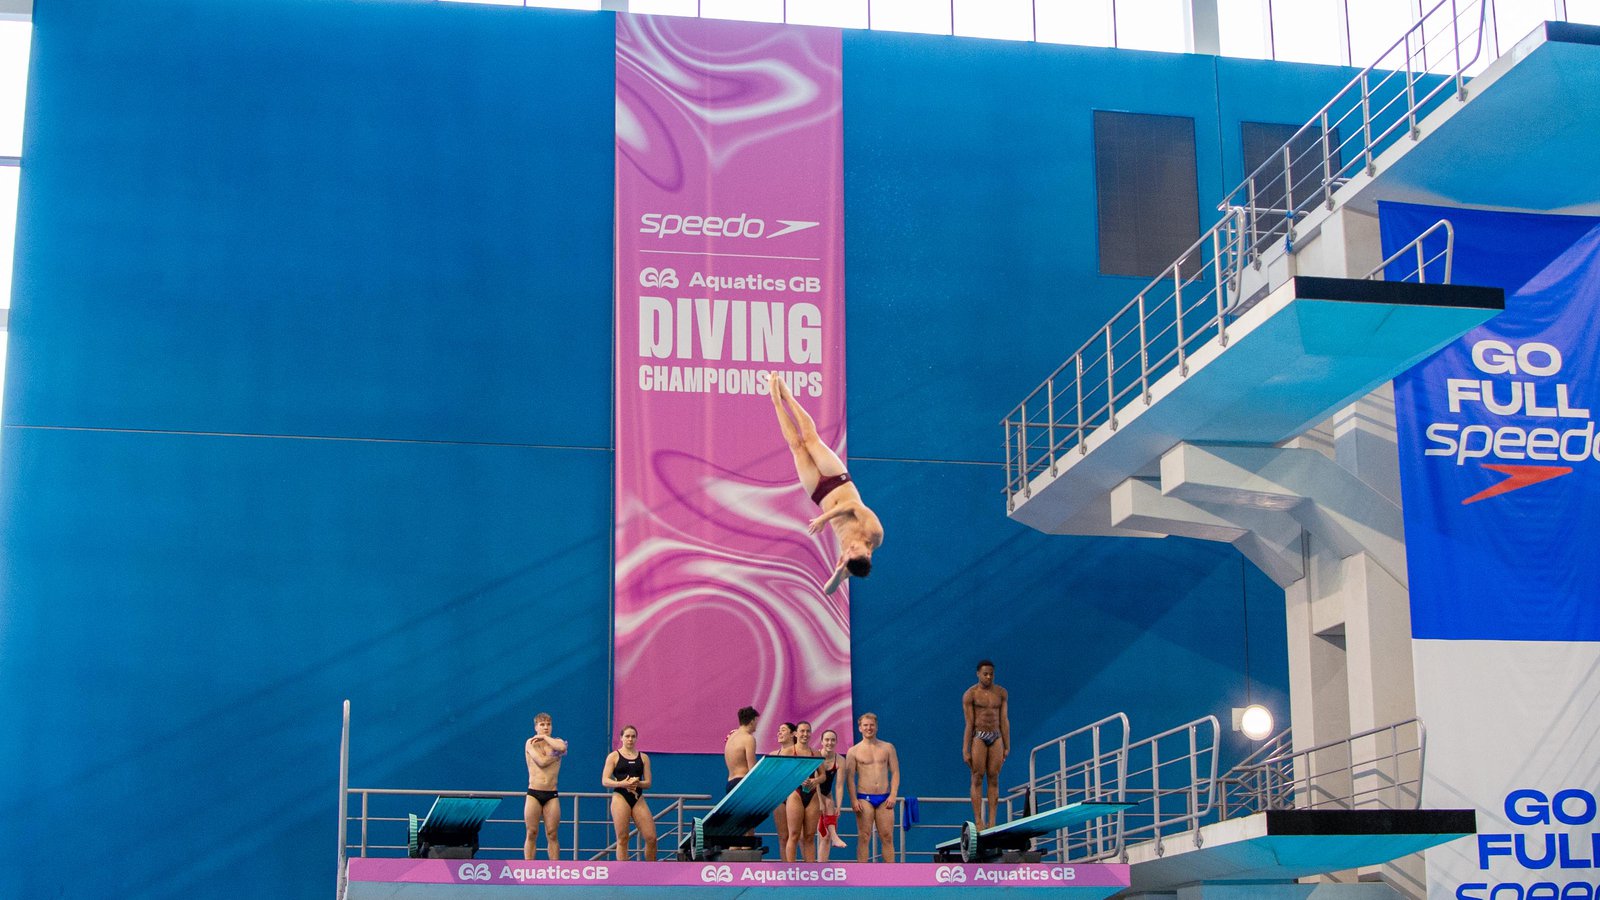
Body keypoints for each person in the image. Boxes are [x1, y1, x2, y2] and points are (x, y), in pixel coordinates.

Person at [767, 373, 884, 594]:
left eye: (848, 552)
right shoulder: (874, 533)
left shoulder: (850, 560)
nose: (849, 548)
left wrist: (840, 571)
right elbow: (853, 506)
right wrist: (823, 519)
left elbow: (828, 590)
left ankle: (776, 402)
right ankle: (788, 397)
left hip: (819, 493)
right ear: (868, 553)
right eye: (854, 549)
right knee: (810, 439)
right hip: (838, 481)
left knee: (797, 447)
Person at [843, 712, 900, 862]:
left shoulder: (888, 748)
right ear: (860, 728)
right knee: (864, 836)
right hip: (864, 798)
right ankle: (863, 872)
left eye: (871, 725)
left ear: (877, 727)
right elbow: (849, 778)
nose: (869, 728)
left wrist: (893, 794)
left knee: (887, 837)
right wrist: (853, 800)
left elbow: (895, 772)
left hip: (885, 798)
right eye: (865, 725)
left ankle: (891, 872)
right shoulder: (853, 751)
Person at [962, 659, 1011, 831]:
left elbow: (1004, 720)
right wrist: (965, 749)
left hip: (996, 736)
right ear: (978, 674)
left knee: (994, 777)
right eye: (985, 674)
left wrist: (1007, 745)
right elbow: (969, 723)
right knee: (977, 776)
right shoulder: (971, 695)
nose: (988, 677)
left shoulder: (1001, 693)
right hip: (979, 736)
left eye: (991, 674)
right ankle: (978, 820)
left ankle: (992, 821)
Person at [601, 725, 657, 861]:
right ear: (621, 738)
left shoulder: (644, 758)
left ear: (636, 738)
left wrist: (636, 783)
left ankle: (652, 869)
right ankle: (623, 871)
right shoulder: (613, 756)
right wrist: (622, 783)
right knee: (623, 838)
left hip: (638, 798)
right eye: (627, 736)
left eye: (633, 736)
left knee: (651, 838)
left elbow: (648, 783)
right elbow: (605, 780)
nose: (630, 739)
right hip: (620, 797)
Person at [523, 712, 568, 860]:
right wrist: (555, 756)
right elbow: (541, 762)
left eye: (548, 724)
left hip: (551, 793)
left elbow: (561, 747)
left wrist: (545, 738)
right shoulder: (530, 742)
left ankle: (554, 867)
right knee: (531, 832)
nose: (546, 727)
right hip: (534, 793)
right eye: (542, 725)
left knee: (552, 833)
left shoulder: (557, 741)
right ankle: (528, 867)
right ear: (536, 727)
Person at [782, 721, 824, 862]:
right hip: (795, 793)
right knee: (794, 834)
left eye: (808, 731)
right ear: (795, 733)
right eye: (802, 731)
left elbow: (823, 776)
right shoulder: (788, 752)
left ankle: (810, 870)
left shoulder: (816, 753)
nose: (805, 734)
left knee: (810, 836)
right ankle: (790, 869)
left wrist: (815, 781)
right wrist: (798, 780)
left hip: (812, 794)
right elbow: (782, 775)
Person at [815, 728, 848, 860]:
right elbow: (816, 783)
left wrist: (838, 806)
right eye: (827, 740)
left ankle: (821, 865)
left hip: (827, 794)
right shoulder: (816, 756)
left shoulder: (840, 760)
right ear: (822, 742)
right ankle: (835, 836)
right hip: (812, 792)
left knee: (825, 835)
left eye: (833, 740)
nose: (830, 743)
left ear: (836, 742)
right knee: (828, 803)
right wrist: (821, 802)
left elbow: (839, 786)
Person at [770, 722, 796, 850]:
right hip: (779, 798)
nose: (779, 732)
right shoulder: (773, 755)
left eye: (783, 730)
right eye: (779, 730)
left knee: (800, 836)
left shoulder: (800, 752)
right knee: (783, 837)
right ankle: (786, 863)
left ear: (792, 734)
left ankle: (807, 863)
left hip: (796, 796)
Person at [723, 706, 760, 794]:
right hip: (742, 782)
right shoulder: (748, 738)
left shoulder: (731, 736)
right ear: (752, 721)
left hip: (730, 783)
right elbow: (752, 767)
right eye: (756, 721)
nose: (757, 724)